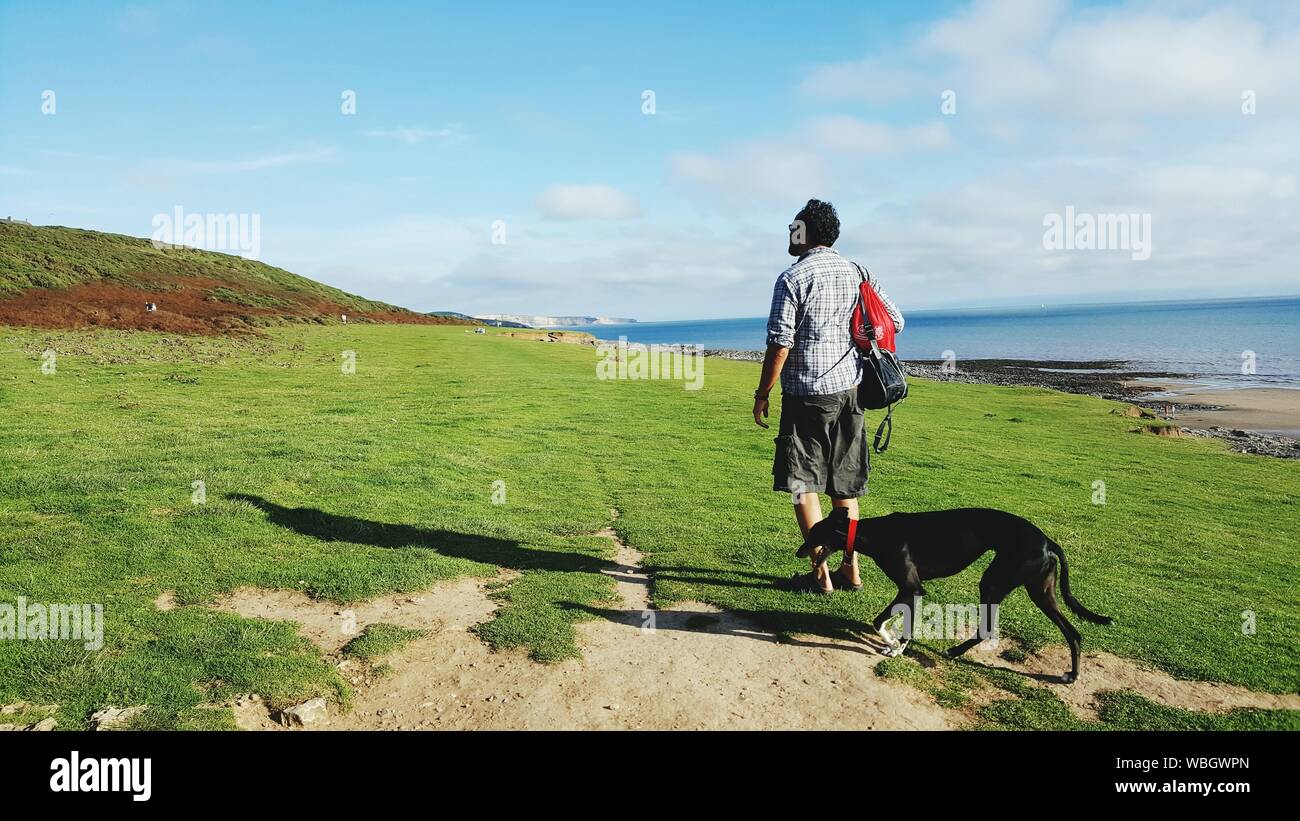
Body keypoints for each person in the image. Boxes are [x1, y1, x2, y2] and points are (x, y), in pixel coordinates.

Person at [752, 199, 903, 594]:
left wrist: (763, 392)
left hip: (805, 395)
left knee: (804, 485)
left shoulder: (792, 278)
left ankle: (820, 576)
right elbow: (895, 321)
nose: (789, 232)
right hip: (850, 393)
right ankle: (851, 571)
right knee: (844, 488)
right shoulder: (858, 271)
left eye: (794, 226)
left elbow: (780, 344)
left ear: (805, 232)